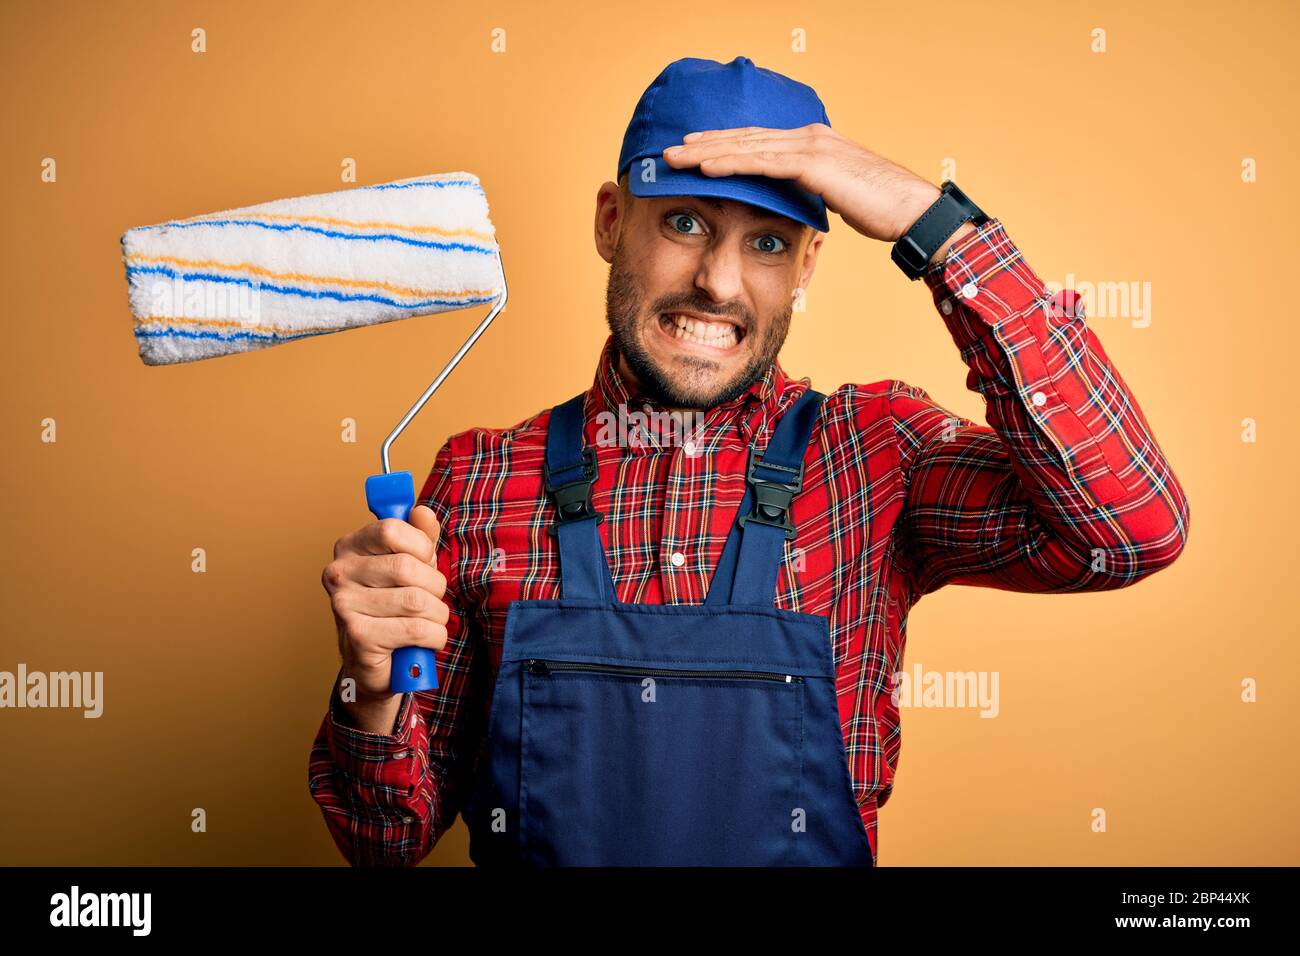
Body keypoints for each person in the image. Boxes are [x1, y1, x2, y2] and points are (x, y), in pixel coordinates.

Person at [307, 55, 1189, 866]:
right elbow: (386, 840)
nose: (720, 285)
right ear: (613, 223)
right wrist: (371, 689)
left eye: (767, 242)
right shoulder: (482, 478)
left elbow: (1130, 530)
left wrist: (938, 224)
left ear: (808, 264)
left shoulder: (874, 453)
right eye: (685, 222)